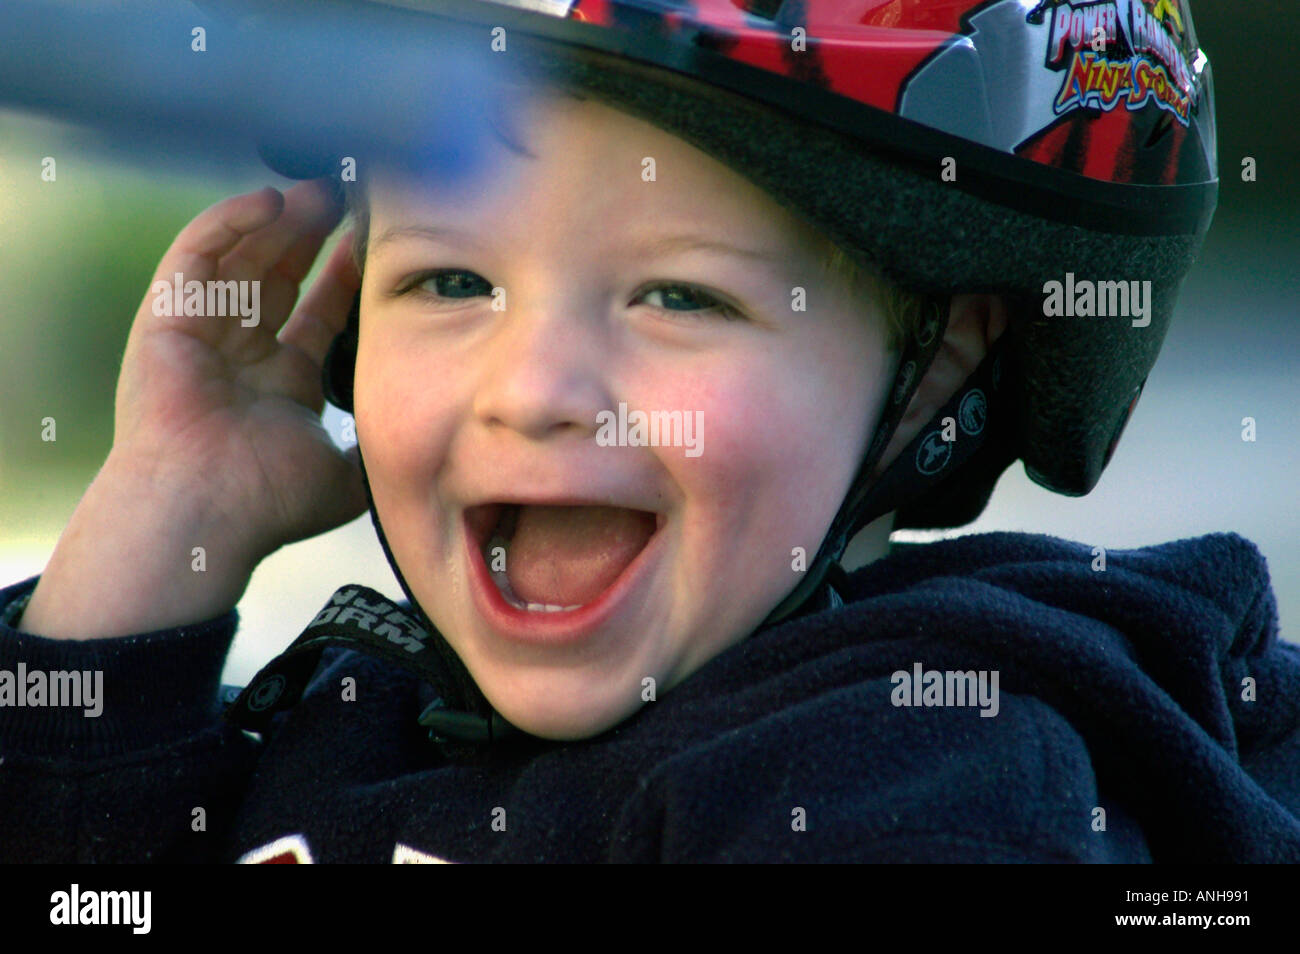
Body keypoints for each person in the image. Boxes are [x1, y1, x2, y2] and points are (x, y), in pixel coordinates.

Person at [2, 0, 1297, 863]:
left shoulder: (910, 767)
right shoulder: (350, 716)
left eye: (678, 293)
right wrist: (166, 507)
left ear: (929, 377)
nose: (537, 388)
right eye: (451, 282)